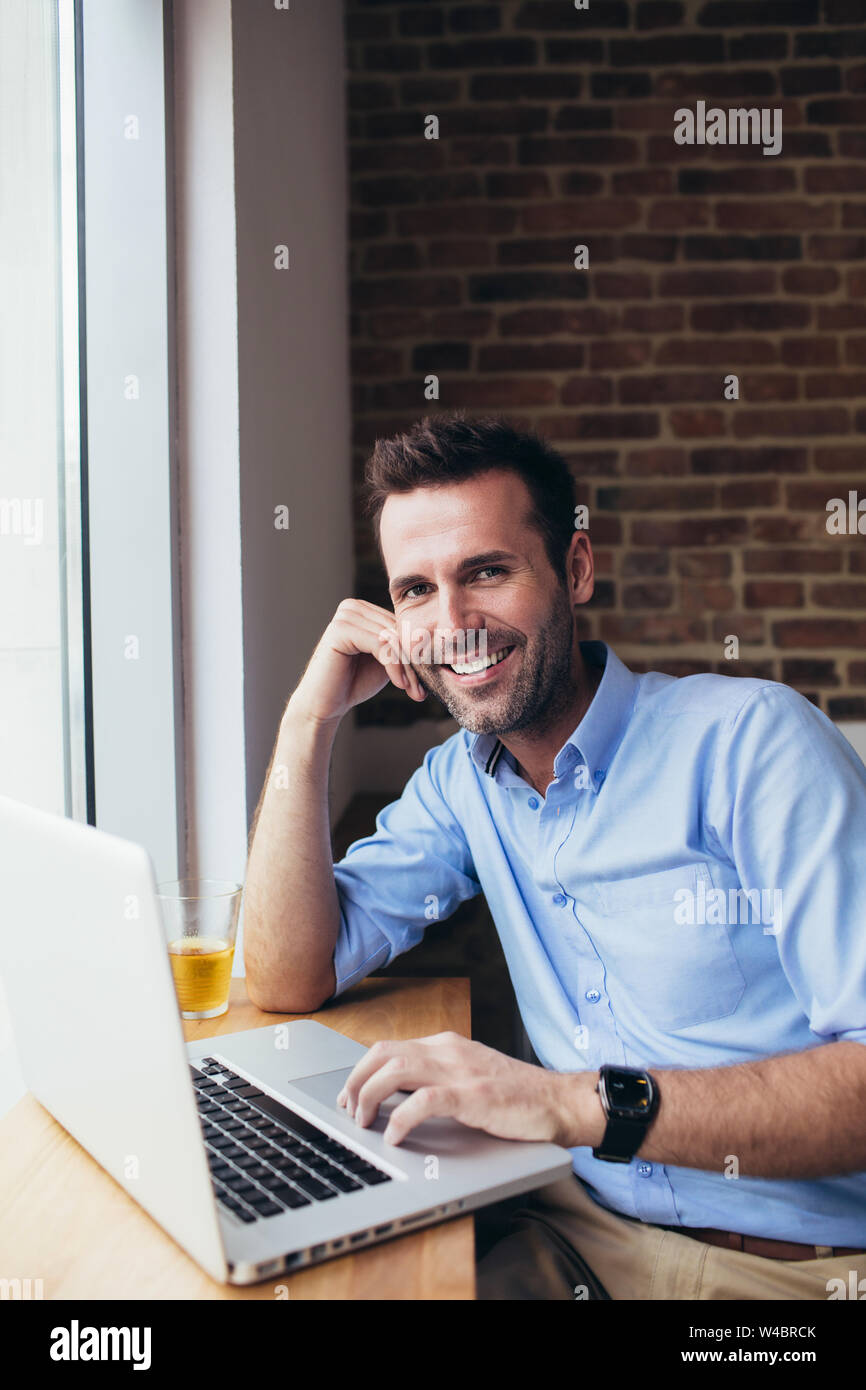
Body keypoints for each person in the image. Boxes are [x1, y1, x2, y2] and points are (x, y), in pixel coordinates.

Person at [243, 412, 866, 1300]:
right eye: (415, 590)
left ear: (574, 568)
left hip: (793, 1279)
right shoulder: (461, 783)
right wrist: (309, 722)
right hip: (581, 1239)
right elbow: (285, 976)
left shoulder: (751, 744)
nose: (453, 624)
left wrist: (564, 1103)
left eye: (486, 572)